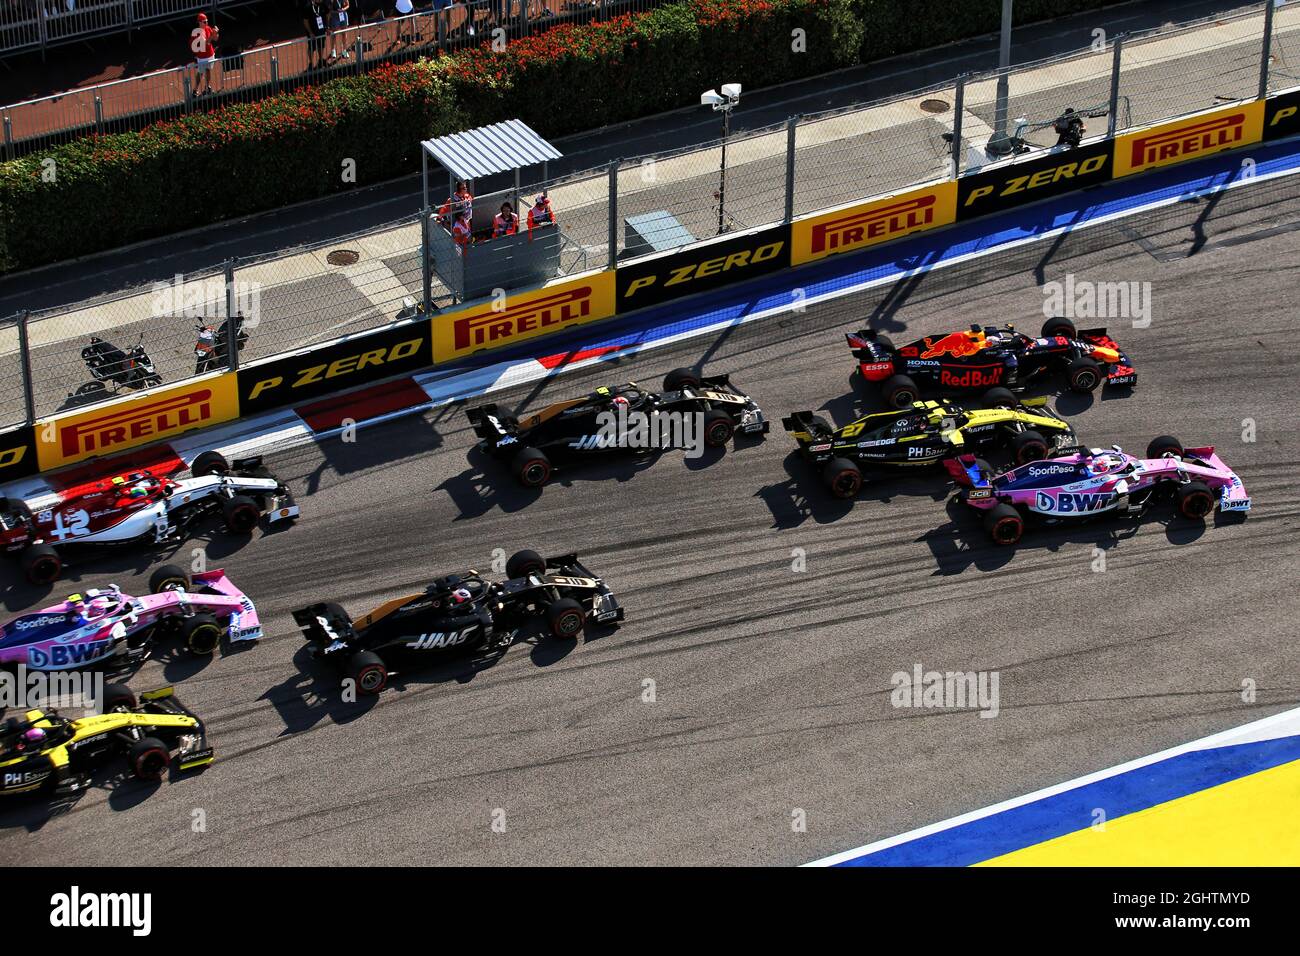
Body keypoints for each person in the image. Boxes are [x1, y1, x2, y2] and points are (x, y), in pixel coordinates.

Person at [191, 13, 221, 96]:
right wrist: (212, 35)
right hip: (202, 56)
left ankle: (207, 87)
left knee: (208, 71)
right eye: (204, 22)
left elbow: (215, 39)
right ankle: (195, 89)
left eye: (207, 21)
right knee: (200, 73)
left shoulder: (208, 28)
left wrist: (215, 33)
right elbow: (205, 43)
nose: (206, 23)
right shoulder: (197, 33)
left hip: (210, 54)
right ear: (199, 22)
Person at [304, 0, 329, 68]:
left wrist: (327, 26)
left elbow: (328, 14)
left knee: (321, 45)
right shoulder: (308, 7)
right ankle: (311, 63)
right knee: (311, 48)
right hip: (312, 33)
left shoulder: (323, 4)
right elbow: (305, 21)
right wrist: (310, 33)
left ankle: (320, 60)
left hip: (321, 30)